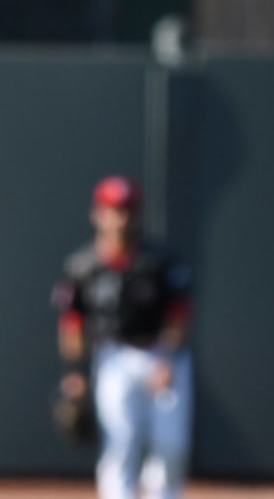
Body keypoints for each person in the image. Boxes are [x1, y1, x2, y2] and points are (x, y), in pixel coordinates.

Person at [52, 175, 194, 499]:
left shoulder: (160, 261)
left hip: (161, 354)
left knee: (171, 447)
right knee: (120, 445)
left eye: (127, 210)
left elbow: (179, 316)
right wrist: (73, 373)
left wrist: (167, 358)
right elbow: (72, 325)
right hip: (113, 357)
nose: (120, 219)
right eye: (113, 209)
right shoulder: (82, 266)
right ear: (97, 213)